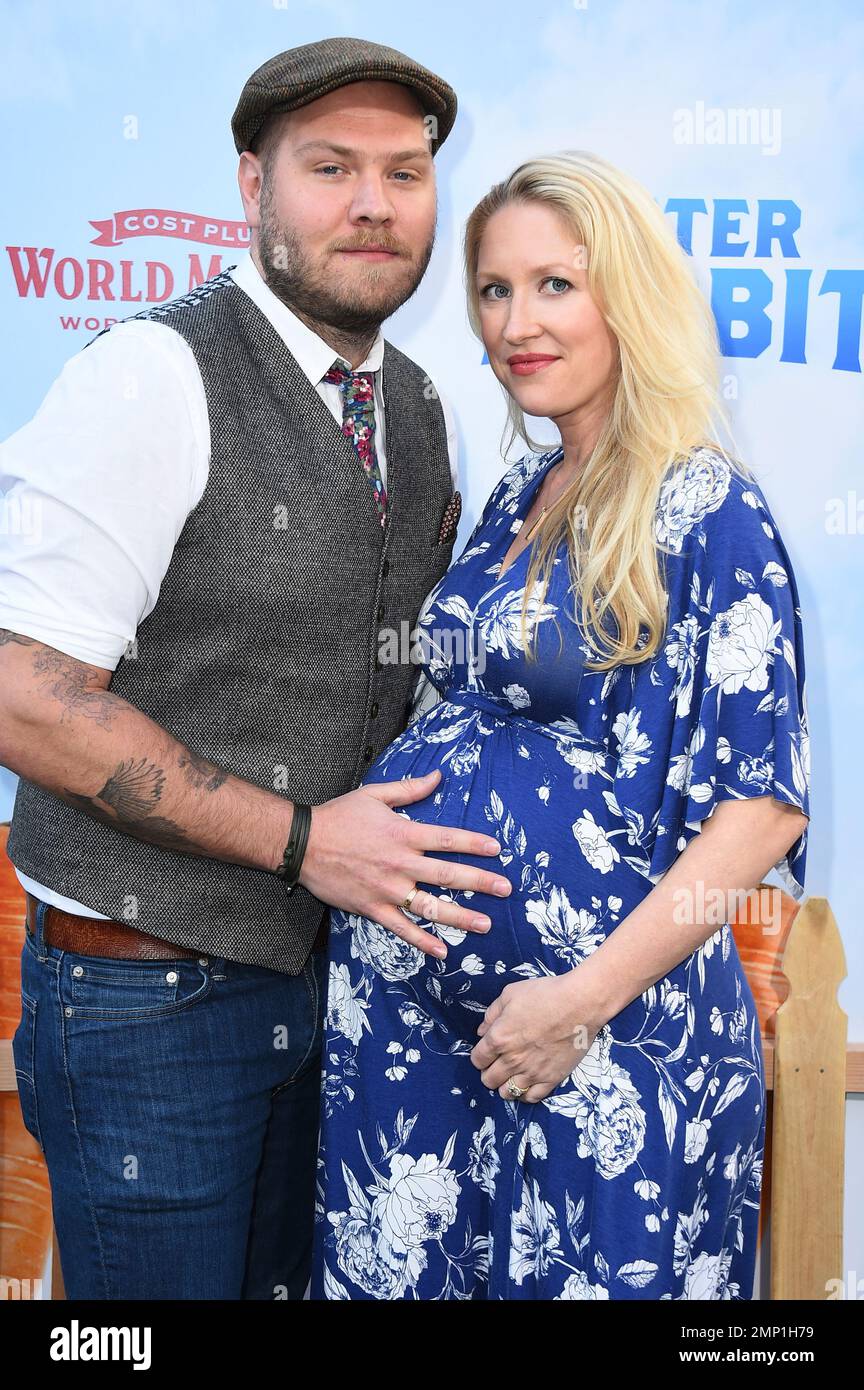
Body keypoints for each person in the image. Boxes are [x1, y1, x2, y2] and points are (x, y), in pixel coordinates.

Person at [1, 37, 514, 1300]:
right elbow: (20, 687)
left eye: (404, 172)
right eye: (330, 167)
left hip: (328, 994)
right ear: (251, 186)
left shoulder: (421, 407)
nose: (372, 204)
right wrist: (302, 843)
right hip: (142, 1007)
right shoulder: (150, 374)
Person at [310, 151, 811, 1301]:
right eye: (494, 289)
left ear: (624, 295)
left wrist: (576, 1002)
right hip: (425, 1043)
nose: (517, 323)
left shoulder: (706, 502)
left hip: (604, 1043)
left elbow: (757, 808)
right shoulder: (513, 494)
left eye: (555, 285)